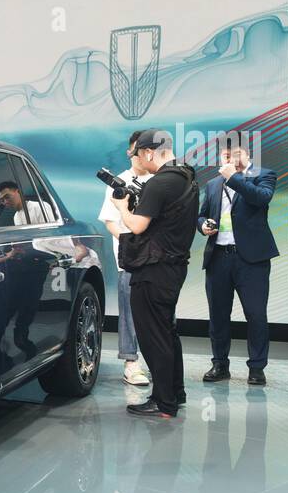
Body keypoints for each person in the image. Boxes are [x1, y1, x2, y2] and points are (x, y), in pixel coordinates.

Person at [112, 129, 199, 418]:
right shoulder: (186, 177)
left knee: (154, 336)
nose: (138, 160)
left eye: (138, 154)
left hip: (154, 270)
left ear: (149, 153)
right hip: (174, 266)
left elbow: (136, 226)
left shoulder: (160, 183)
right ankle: (175, 392)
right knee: (167, 332)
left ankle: (164, 402)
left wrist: (122, 207)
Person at [197, 141, 278, 385]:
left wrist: (234, 178)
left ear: (248, 154)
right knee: (218, 315)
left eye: (236, 154)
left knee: (255, 315)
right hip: (218, 256)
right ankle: (219, 364)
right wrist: (202, 225)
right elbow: (201, 214)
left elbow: (261, 199)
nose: (230, 159)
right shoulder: (213, 184)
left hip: (251, 259)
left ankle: (256, 367)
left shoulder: (263, 175)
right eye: (225, 155)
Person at [97, 131, 153, 387]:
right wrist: (133, 243)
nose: (144, 153)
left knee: (162, 314)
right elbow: (110, 221)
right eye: (139, 148)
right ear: (131, 151)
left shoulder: (162, 180)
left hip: (159, 259)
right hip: (130, 258)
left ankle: (159, 362)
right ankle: (131, 362)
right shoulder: (118, 181)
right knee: (129, 312)